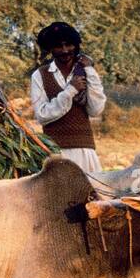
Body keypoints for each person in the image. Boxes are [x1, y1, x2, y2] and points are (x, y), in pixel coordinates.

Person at [29, 22, 106, 175]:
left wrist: (89, 69)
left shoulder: (86, 71)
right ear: (51, 49)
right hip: (56, 153)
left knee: (92, 196)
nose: (65, 50)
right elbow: (42, 115)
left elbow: (96, 110)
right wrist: (70, 90)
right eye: (58, 46)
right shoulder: (40, 75)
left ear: (76, 46)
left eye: (68, 45)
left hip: (85, 151)